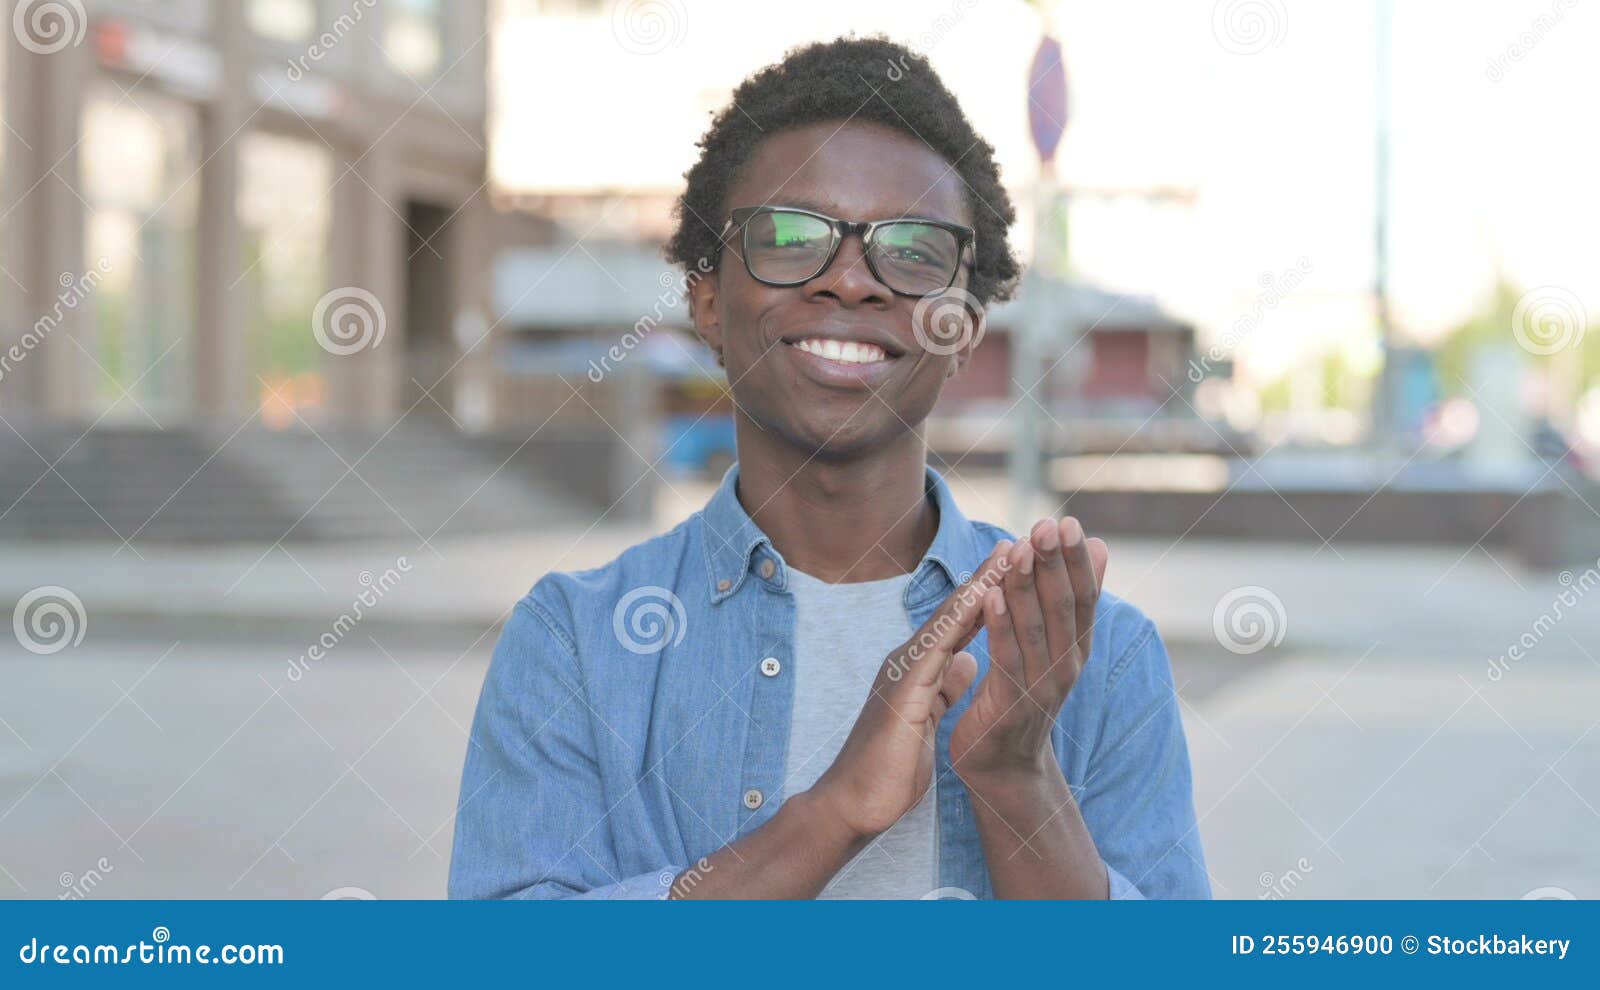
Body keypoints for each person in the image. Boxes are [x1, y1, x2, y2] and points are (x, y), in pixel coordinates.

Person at [448, 35, 1209, 900]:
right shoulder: (575, 644)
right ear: (707, 302)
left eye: (914, 250)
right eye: (788, 236)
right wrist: (833, 813)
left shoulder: (1102, 656)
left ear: (964, 328)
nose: (851, 282)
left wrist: (1016, 778)